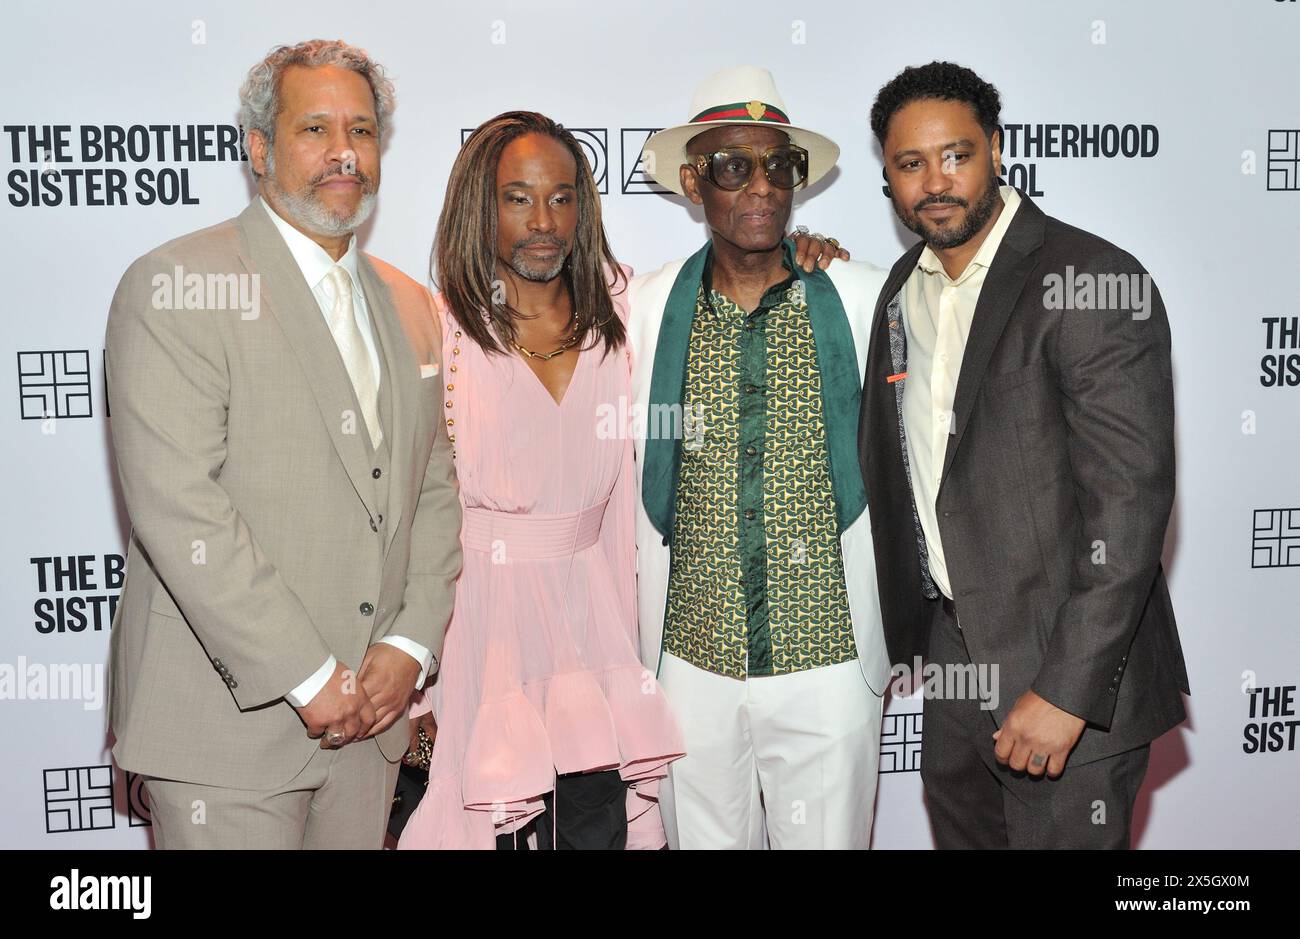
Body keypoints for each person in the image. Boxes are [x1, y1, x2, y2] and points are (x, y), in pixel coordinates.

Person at [104, 39, 462, 849]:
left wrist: (410, 644)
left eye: (362, 130)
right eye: (315, 129)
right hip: (225, 731)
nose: (346, 152)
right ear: (260, 149)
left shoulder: (411, 303)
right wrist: (310, 674)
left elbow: (435, 486)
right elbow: (182, 511)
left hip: (371, 725)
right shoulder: (178, 286)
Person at [858, 61, 1190, 849]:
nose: (935, 182)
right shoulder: (901, 289)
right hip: (953, 668)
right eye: (910, 163)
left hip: (1067, 678)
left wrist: (1067, 692)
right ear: (889, 177)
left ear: (998, 150)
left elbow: (1130, 510)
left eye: (956, 155)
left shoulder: (1090, 279)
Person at [396, 112, 684, 850]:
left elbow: (730, 273)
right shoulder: (438, 329)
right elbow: (403, 512)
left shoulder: (623, 312)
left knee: (592, 826)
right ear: (479, 207)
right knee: (486, 822)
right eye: (517, 198)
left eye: (562, 197)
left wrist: (809, 250)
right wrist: (417, 687)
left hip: (592, 624)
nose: (544, 221)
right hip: (476, 627)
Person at [628, 65, 891, 849]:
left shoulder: (860, 296)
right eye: (733, 166)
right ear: (692, 181)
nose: (763, 187)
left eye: (781, 165)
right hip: (691, 659)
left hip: (829, 658)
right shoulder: (642, 308)